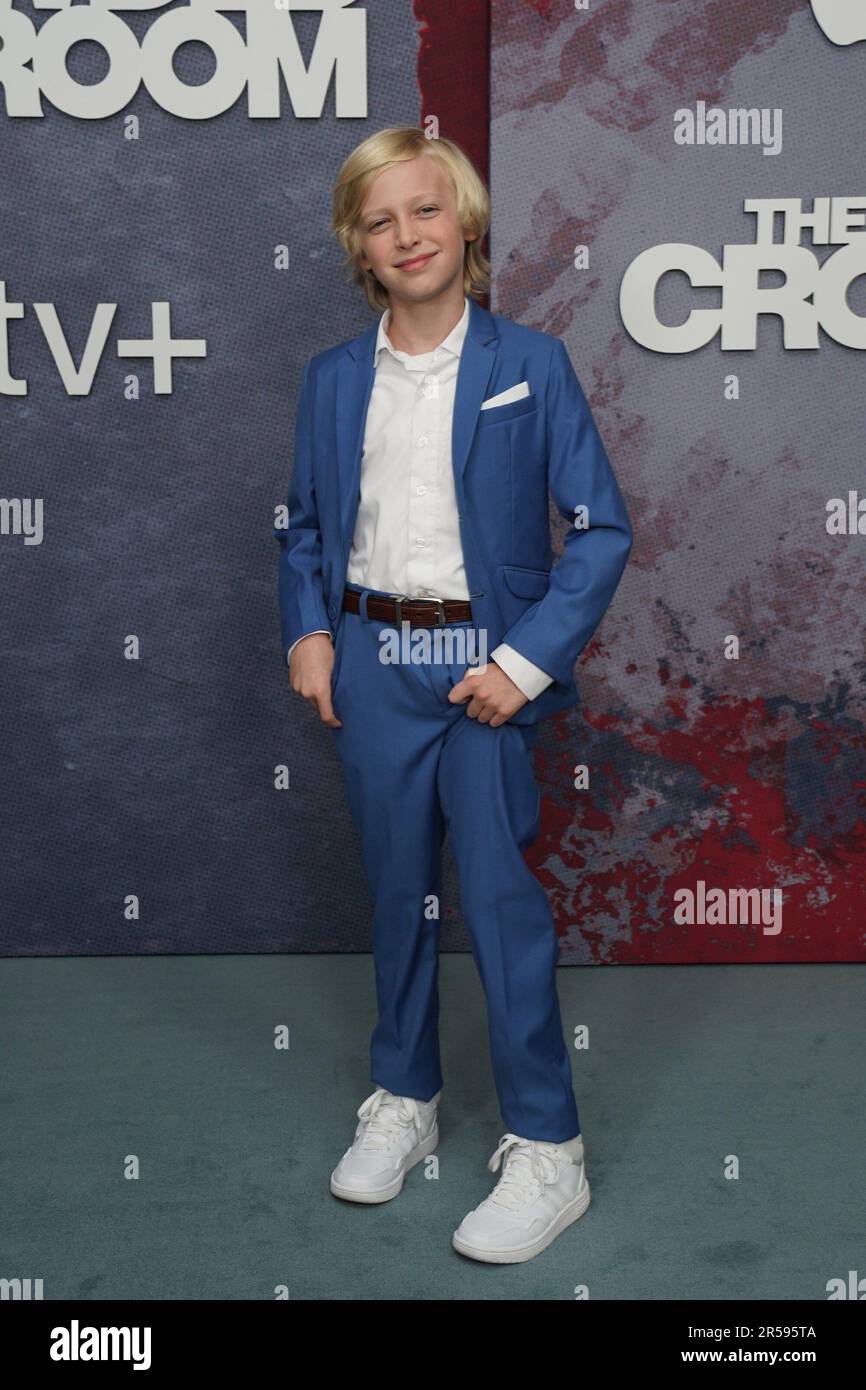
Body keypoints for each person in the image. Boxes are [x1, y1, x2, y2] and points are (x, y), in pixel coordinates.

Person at [274, 126, 633, 1264]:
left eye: (423, 212)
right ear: (357, 248)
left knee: (498, 904)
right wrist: (309, 631)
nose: (405, 235)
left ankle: (546, 1147)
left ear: (464, 224)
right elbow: (307, 528)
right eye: (379, 222)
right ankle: (403, 1095)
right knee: (395, 896)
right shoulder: (331, 379)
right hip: (373, 660)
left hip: (485, 666)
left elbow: (601, 528)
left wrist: (521, 661)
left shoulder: (529, 363)